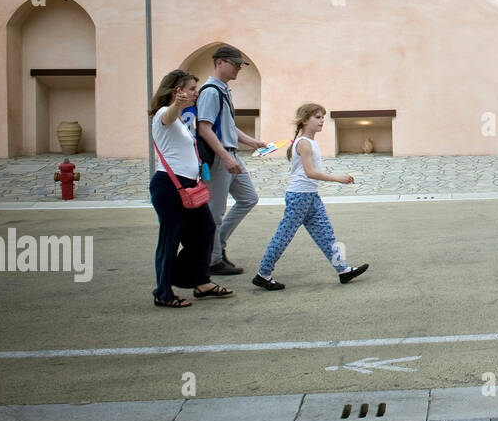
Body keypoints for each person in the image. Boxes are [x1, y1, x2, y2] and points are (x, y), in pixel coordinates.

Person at [252, 103, 369, 290]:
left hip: (310, 196)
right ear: (305, 120)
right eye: (317, 117)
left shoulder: (309, 142)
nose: (322, 120)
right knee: (284, 235)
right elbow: (310, 173)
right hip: (299, 197)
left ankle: (343, 270)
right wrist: (337, 178)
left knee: (325, 233)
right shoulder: (304, 143)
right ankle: (263, 274)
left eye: (323, 116)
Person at [148, 69, 233, 306]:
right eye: (192, 89)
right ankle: (163, 293)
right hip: (170, 186)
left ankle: (201, 281)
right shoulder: (164, 113)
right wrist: (178, 104)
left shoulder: (183, 119)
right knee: (170, 239)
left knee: (205, 229)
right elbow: (168, 116)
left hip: (188, 185)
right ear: (178, 91)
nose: (197, 93)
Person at [196, 44, 270, 275]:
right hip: (221, 158)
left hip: (231, 155)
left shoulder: (223, 90)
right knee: (215, 212)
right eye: (235, 63)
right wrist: (226, 157)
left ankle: (218, 248)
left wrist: (254, 142)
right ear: (220, 62)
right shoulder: (211, 91)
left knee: (248, 198)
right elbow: (204, 128)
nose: (239, 68)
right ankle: (212, 259)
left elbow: (228, 126)